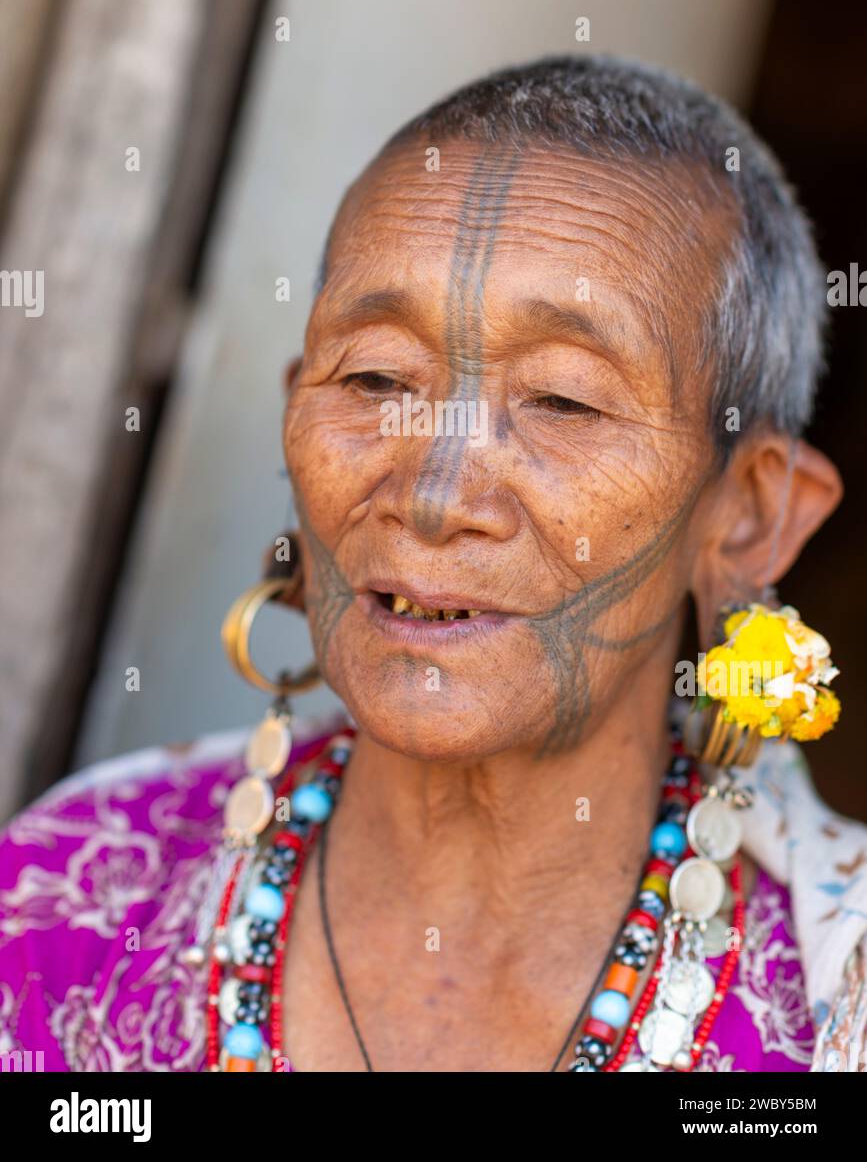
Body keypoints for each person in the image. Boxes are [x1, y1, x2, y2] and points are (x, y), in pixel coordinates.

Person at [1, 55, 865, 1074]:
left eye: (565, 401)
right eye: (373, 377)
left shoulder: (833, 1003)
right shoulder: (65, 895)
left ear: (750, 514)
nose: (437, 493)